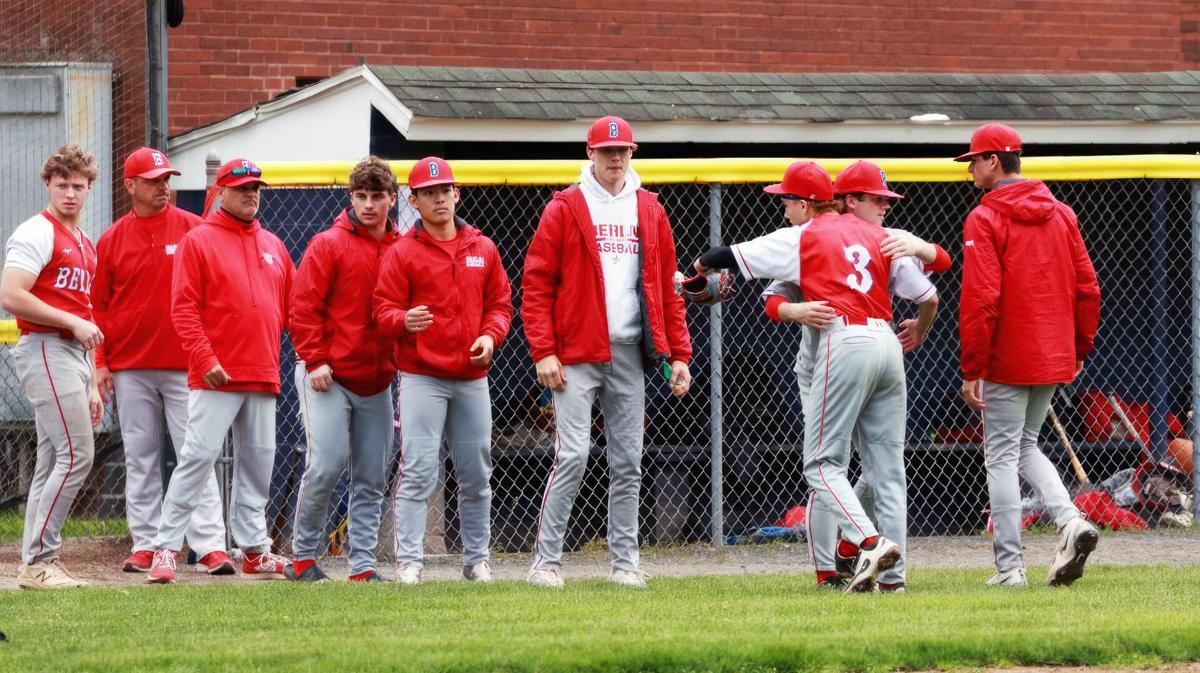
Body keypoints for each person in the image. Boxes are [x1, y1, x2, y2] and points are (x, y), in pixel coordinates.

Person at [694, 168, 939, 592]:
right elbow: (930, 292)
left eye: (787, 201)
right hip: (886, 342)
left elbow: (723, 256)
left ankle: (868, 543)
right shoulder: (878, 235)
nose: (784, 209)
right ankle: (891, 581)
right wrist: (920, 323)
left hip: (842, 342)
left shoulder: (802, 236)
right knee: (887, 471)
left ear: (805, 204)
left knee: (822, 465)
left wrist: (695, 270)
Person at [759, 160, 950, 592]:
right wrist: (795, 309)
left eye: (886, 199)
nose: (885, 206)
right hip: (828, 363)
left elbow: (937, 274)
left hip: (845, 355)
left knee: (841, 468)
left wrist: (920, 247)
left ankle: (856, 550)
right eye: (877, 199)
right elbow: (773, 300)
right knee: (848, 468)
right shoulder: (811, 237)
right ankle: (839, 565)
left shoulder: (884, 240)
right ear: (848, 201)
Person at [522, 116, 692, 589]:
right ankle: (546, 563)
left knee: (629, 462)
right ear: (590, 153)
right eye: (606, 151)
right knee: (572, 456)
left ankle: (625, 564)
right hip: (576, 352)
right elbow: (536, 285)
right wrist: (543, 350)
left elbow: (668, 288)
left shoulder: (650, 208)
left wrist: (680, 353)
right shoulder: (565, 206)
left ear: (631, 153)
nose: (616, 158)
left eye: (623, 151)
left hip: (629, 351)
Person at [956, 123, 1102, 588]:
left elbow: (981, 297)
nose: (970, 169)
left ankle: (1010, 568)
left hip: (1008, 353)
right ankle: (1070, 520)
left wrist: (972, 366)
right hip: (1053, 350)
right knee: (1024, 446)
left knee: (1001, 455)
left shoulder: (984, 216)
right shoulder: (1062, 213)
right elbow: (1088, 287)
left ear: (993, 160)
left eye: (974, 160)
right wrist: (1079, 346)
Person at [146, 158, 296, 583]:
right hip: (216, 373)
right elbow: (183, 308)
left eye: (256, 188)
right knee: (196, 459)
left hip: (262, 370)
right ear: (221, 192)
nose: (251, 194)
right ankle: (166, 548)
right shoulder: (199, 240)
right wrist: (204, 357)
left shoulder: (273, 244)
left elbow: (294, 310)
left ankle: (254, 550)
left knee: (259, 464)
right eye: (243, 187)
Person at [91, 147, 232, 575]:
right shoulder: (111, 239)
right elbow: (98, 307)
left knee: (197, 453)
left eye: (166, 179)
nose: (163, 187)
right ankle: (147, 544)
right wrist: (101, 362)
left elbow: (216, 292)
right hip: (130, 365)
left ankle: (208, 545)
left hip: (185, 364)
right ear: (130, 185)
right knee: (140, 456)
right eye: (153, 181)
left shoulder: (193, 228)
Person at [374, 157, 513, 585]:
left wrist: (490, 336)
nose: (439, 198)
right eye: (428, 193)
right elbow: (382, 311)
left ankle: (477, 560)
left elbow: (501, 306)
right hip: (422, 376)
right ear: (413, 201)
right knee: (419, 469)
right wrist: (403, 320)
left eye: (445, 190)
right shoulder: (402, 251)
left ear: (457, 194)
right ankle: (409, 562)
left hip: (472, 377)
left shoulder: (482, 248)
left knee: (476, 472)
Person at [285, 157, 401, 583]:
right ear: (351, 198)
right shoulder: (328, 244)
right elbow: (303, 307)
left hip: (377, 379)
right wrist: (315, 359)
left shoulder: (403, 247)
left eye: (377, 196)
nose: (368, 205)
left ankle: (362, 566)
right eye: (361, 196)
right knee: (326, 465)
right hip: (327, 375)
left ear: (392, 199)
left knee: (371, 475)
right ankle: (302, 558)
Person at [1, 145, 104, 589]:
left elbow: (85, 311)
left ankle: (34, 562)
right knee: (77, 454)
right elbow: (11, 295)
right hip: (44, 346)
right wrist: (72, 323)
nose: (69, 193)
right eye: (61, 185)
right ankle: (41, 560)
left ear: (90, 188)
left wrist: (93, 382)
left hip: (72, 354)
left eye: (78, 185)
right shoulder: (36, 231)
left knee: (51, 460)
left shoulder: (84, 242)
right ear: (47, 184)